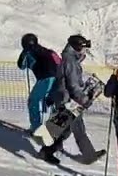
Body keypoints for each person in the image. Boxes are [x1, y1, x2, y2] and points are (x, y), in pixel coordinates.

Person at [38, 35, 102, 166]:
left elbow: (63, 81)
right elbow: (73, 85)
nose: (85, 51)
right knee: (76, 129)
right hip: (70, 100)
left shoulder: (69, 59)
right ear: (77, 48)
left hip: (65, 98)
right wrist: (84, 99)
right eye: (83, 48)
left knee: (64, 128)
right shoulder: (71, 62)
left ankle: (47, 150)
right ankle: (89, 156)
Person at [17, 33, 60, 134]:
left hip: (45, 79)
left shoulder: (29, 52)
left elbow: (21, 65)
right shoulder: (47, 51)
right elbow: (59, 61)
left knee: (33, 101)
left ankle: (36, 127)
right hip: (57, 78)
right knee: (50, 102)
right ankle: (54, 128)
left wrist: (24, 52)